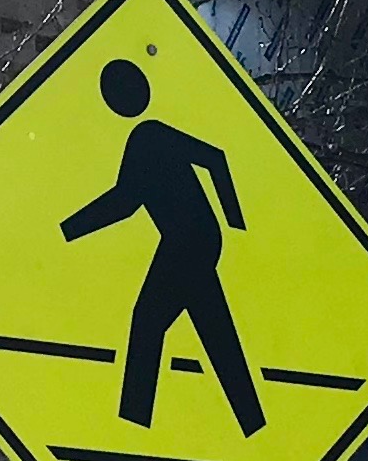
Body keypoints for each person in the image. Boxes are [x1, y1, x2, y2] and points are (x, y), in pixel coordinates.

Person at [59, 59, 266, 434]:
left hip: (191, 241)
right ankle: (254, 424)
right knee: (214, 330)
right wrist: (69, 230)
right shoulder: (143, 138)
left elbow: (214, 160)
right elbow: (127, 201)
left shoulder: (148, 135)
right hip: (192, 240)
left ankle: (133, 427)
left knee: (148, 322)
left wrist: (239, 223)